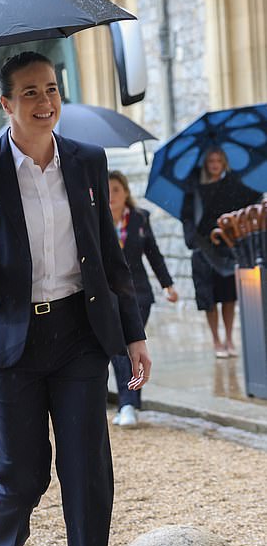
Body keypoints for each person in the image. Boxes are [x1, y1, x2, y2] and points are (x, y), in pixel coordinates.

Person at [0, 51, 151, 546]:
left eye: (52, 89)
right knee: (24, 472)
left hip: (78, 336)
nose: (46, 101)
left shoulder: (89, 164)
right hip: (8, 344)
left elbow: (109, 261)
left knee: (88, 476)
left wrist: (132, 334)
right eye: (30, 93)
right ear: (6, 105)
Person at [109, 170, 178, 427]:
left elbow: (154, 254)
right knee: (120, 348)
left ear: (126, 191)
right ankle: (129, 404)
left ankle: (128, 405)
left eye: (116, 189)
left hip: (139, 295)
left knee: (131, 347)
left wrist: (167, 285)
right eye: (106, 190)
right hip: (109, 296)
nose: (111, 195)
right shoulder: (96, 220)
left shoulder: (139, 219)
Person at [181, 146, 262, 358]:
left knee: (228, 296)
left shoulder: (232, 185)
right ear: (206, 165)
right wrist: (192, 240)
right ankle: (216, 339)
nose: (215, 165)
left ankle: (228, 338)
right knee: (209, 298)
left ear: (224, 163)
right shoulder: (194, 190)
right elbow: (187, 217)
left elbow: (250, 202)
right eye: (211, 161)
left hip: (226, 249)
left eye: (218, 161)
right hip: (202, 249)